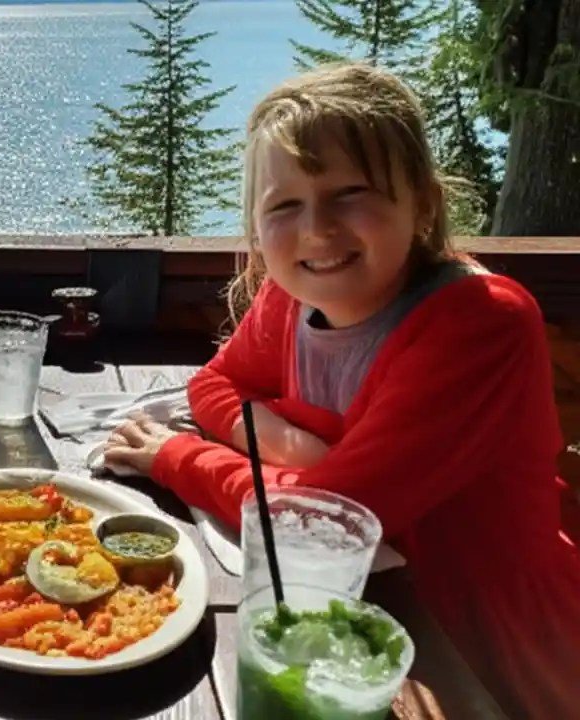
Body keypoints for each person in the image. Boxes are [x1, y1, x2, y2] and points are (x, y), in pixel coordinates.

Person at [102, 63, 580, 718]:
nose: (317, 229)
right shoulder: (292, 291)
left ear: (424, 203)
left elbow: (319, 519)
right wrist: (289, 442)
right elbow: (219, 382)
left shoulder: (481, 323)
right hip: (354, 623)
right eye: (284, 205)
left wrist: (174, 458)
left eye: (351, 193)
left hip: (491, 650)